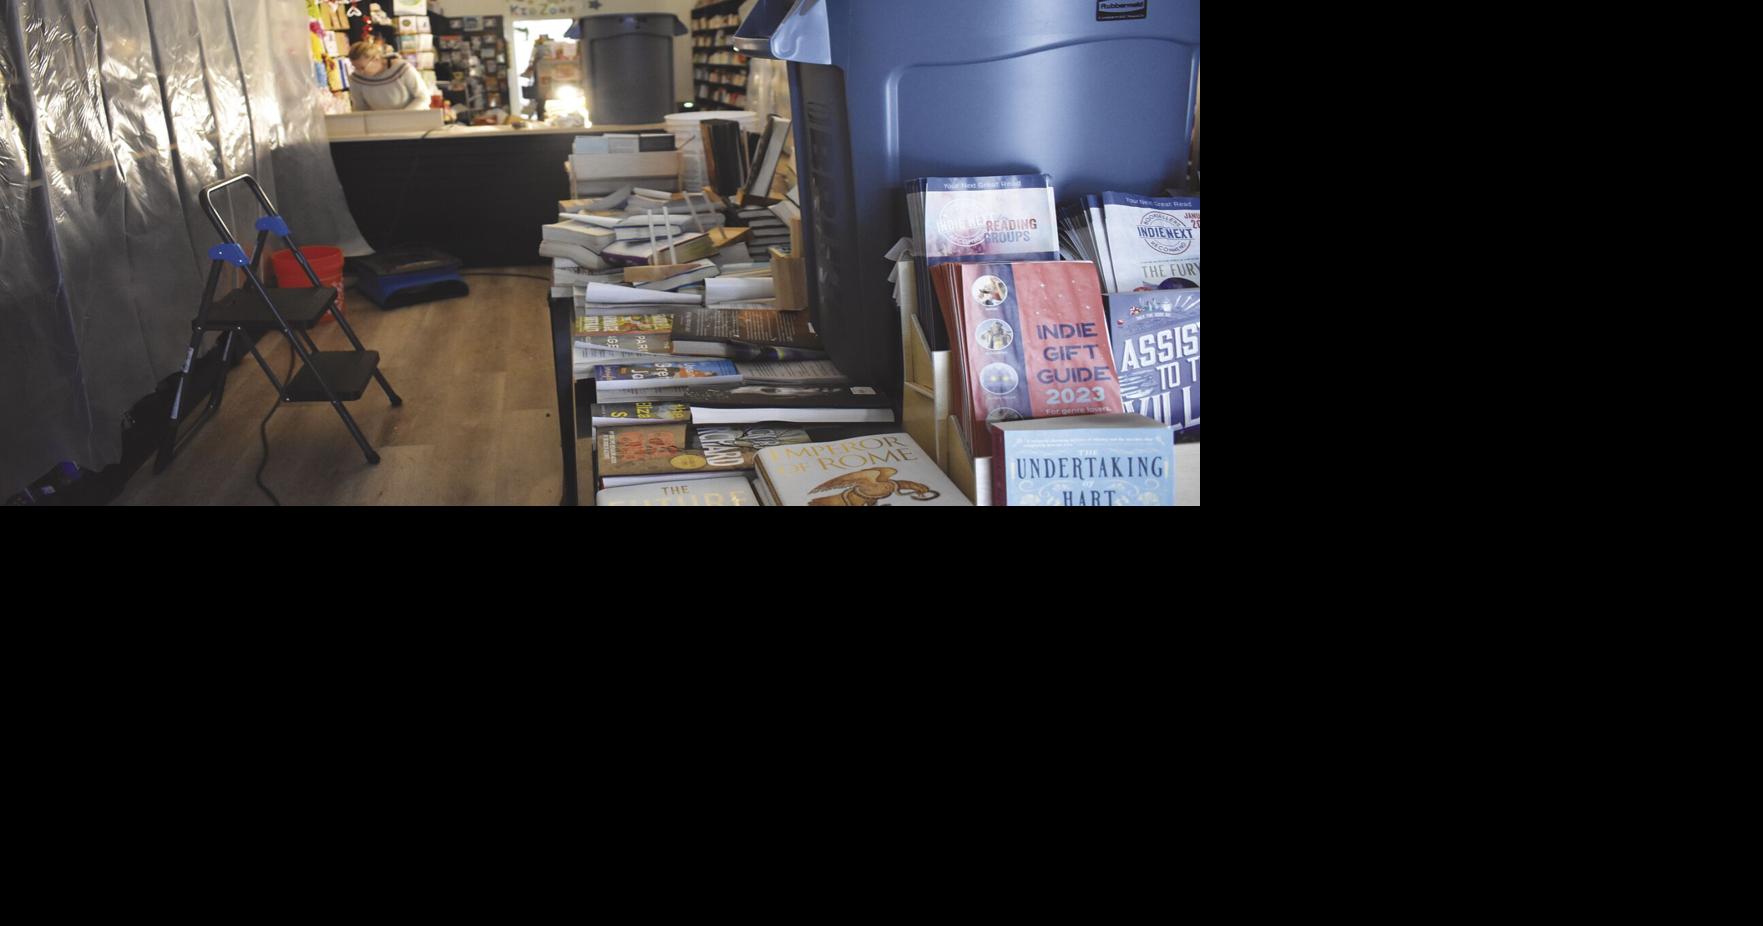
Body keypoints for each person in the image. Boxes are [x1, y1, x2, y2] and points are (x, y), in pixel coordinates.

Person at [346, 41, 430, 111]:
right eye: (355, 67)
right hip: (381, 123)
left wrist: (404, 115)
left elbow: (423, 97)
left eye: (362, 68)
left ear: (376, 59)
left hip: (413, 119)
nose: (359, 72)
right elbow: (360, 108)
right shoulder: (356, 79)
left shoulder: (402, 69)